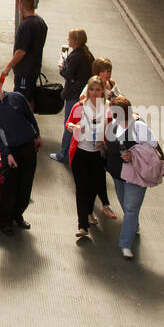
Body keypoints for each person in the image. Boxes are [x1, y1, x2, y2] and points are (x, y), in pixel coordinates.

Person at [104, 97, 164, 258]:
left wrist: (133, 155)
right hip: (117, 173)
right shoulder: (113, 126)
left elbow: (152, 148)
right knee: (125, 204)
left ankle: (125, 244)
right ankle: (133, 226)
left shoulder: (138, 126)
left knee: (131, 208)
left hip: (135, 175)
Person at [0, 72, 41, 235]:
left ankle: (18, 215)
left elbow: (30, 117)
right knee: (10, 188)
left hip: (28, 147)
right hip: (11, 152)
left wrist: (37, 135)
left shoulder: (17, 98)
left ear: (0, 84)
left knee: (26, 185)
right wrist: (6, 153)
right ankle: (5, 220)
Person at [66, 76, 111, 243]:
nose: (94, 92)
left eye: (98, 89)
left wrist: (105, 141)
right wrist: (73, 127)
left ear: (102, 91)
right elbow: (69, 123)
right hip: (80, 152)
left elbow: (112, 130)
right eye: (92, 89)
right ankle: (82, 225)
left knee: (93, 187)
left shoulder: (107, 108)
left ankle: (89, 212)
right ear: (88, 90)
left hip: (96, 154)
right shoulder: (80, 107)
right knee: (81, 187)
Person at [50, 28, 94, 165]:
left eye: (69, 38)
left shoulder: (76, 56)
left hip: (74, 94)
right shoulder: (87, 54)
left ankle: (64, 154)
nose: (67, 40)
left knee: (69, 124)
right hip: (82, 93)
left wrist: (62, 67)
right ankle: (72, 153)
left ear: (75, 41)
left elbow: (68, 74)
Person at [2, 0, 47, 104]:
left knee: (20, 99)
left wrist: (7, 67)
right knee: (29, 97)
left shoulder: (26, 25)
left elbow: (20, 52)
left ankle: (21, 120)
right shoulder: (41, 22)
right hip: (35, 67)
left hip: (24, 71)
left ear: (21, 6)